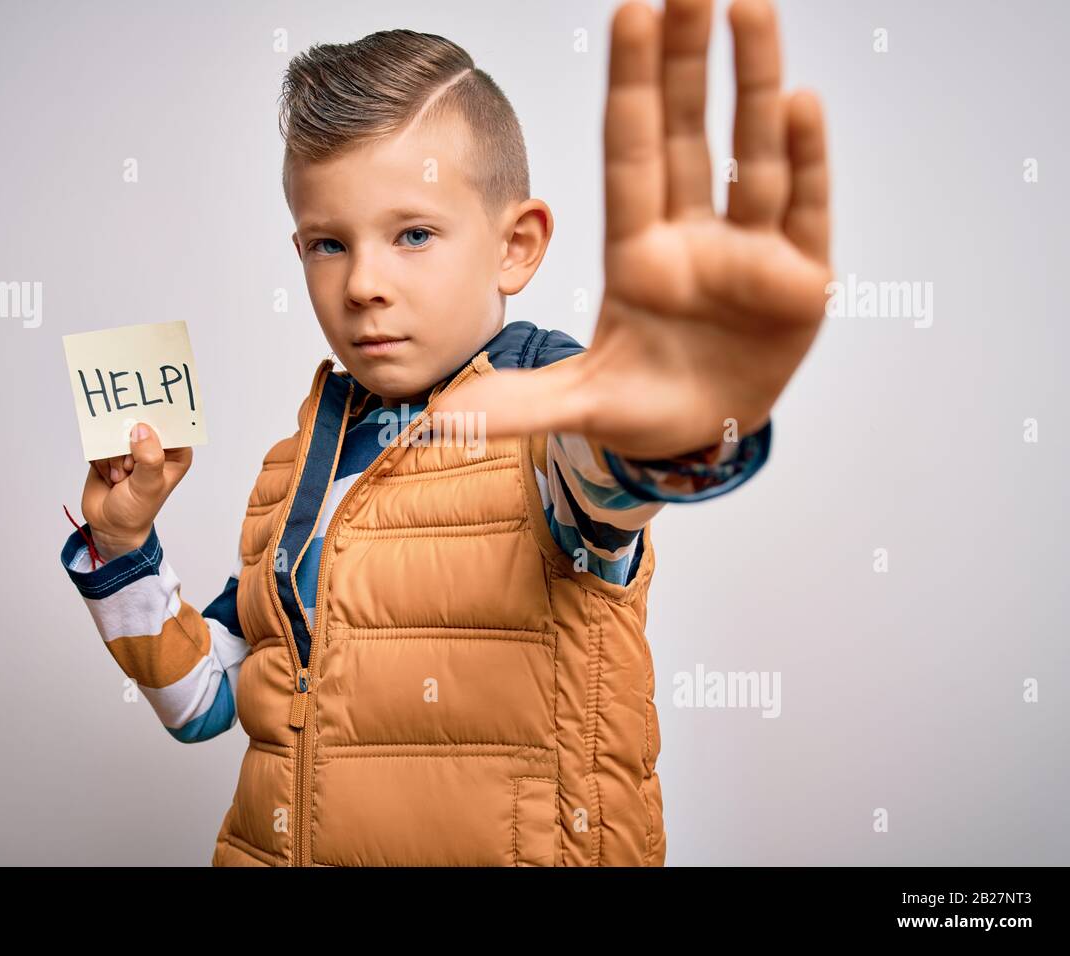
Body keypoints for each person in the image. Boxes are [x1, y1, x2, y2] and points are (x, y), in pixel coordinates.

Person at [58, 0, 831, 866]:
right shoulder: (293, 471)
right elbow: (201, 704)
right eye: (327, 244)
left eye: (414, 234)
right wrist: (123, 547)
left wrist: (677, 422)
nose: (363, 284)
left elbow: (610, 475)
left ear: (517, 246)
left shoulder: (554, 418)